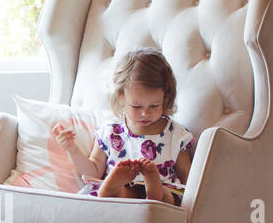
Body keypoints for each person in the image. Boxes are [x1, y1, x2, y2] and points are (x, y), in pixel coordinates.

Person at [50, 47, 195, 205]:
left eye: (154, 106)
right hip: (122, 197)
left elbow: (188, 174)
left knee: (169, 196)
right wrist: (73, 149)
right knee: (121, 191)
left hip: (162, 193)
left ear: (166, 97)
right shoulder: (110, 132)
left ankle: (154, 191)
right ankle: (112, 189)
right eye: (137, 107)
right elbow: (93, 172)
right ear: (121, 96)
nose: (145, 114)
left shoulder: (175, 134)